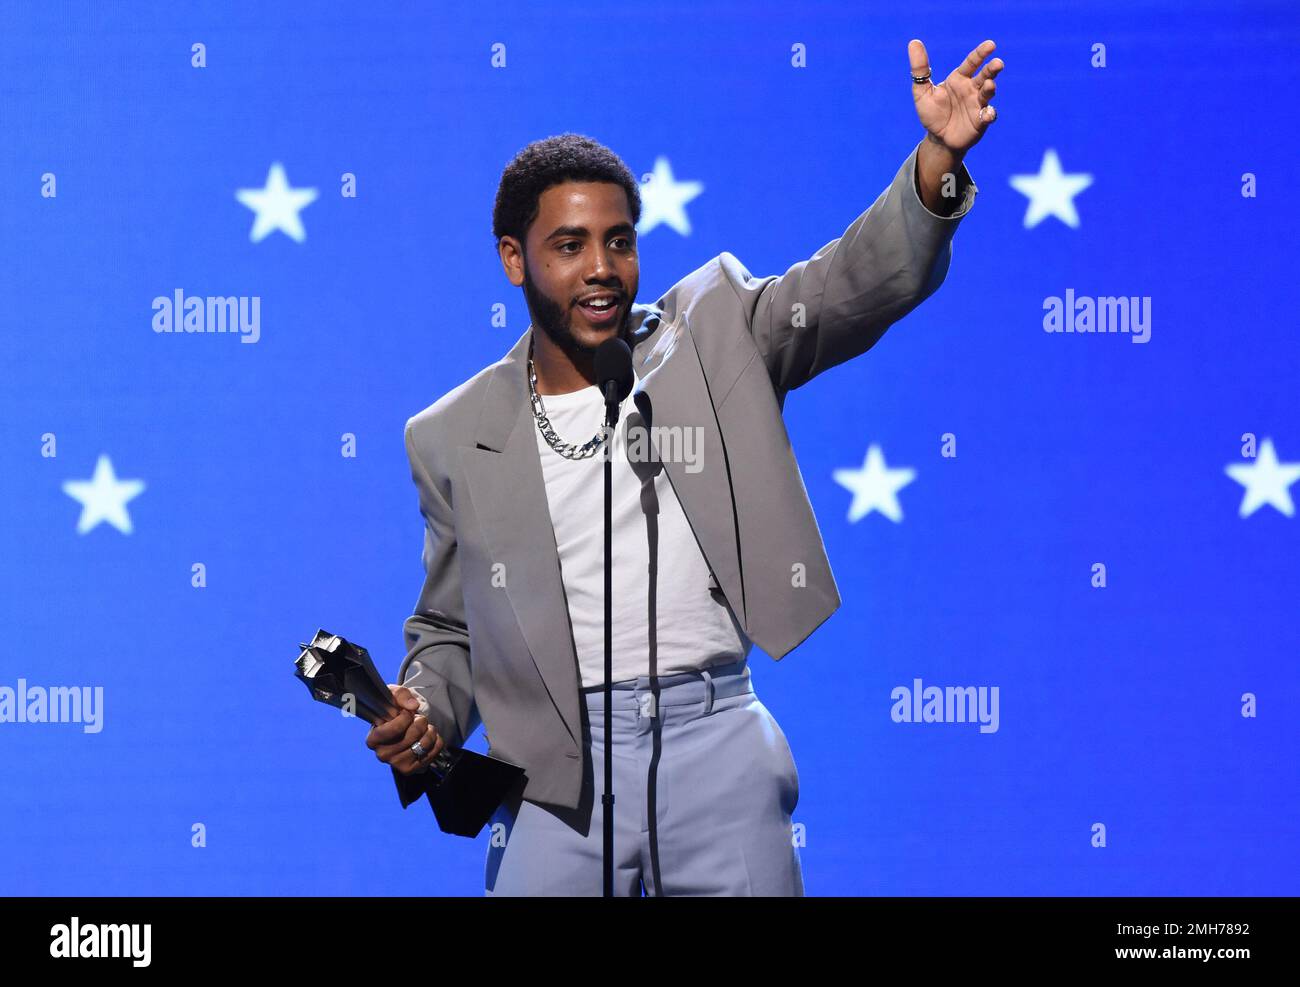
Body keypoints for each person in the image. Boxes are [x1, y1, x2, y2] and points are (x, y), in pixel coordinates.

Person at [366, 38, 1002, 895]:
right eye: (569, 245)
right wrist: (424, 711)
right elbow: (449, 629)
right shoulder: (453, 433)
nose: (602, 269)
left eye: (619, 241)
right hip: (558, 775)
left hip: (716, 746)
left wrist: (936, 166)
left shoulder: (713, 332)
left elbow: (855, 285)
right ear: (514, 258)